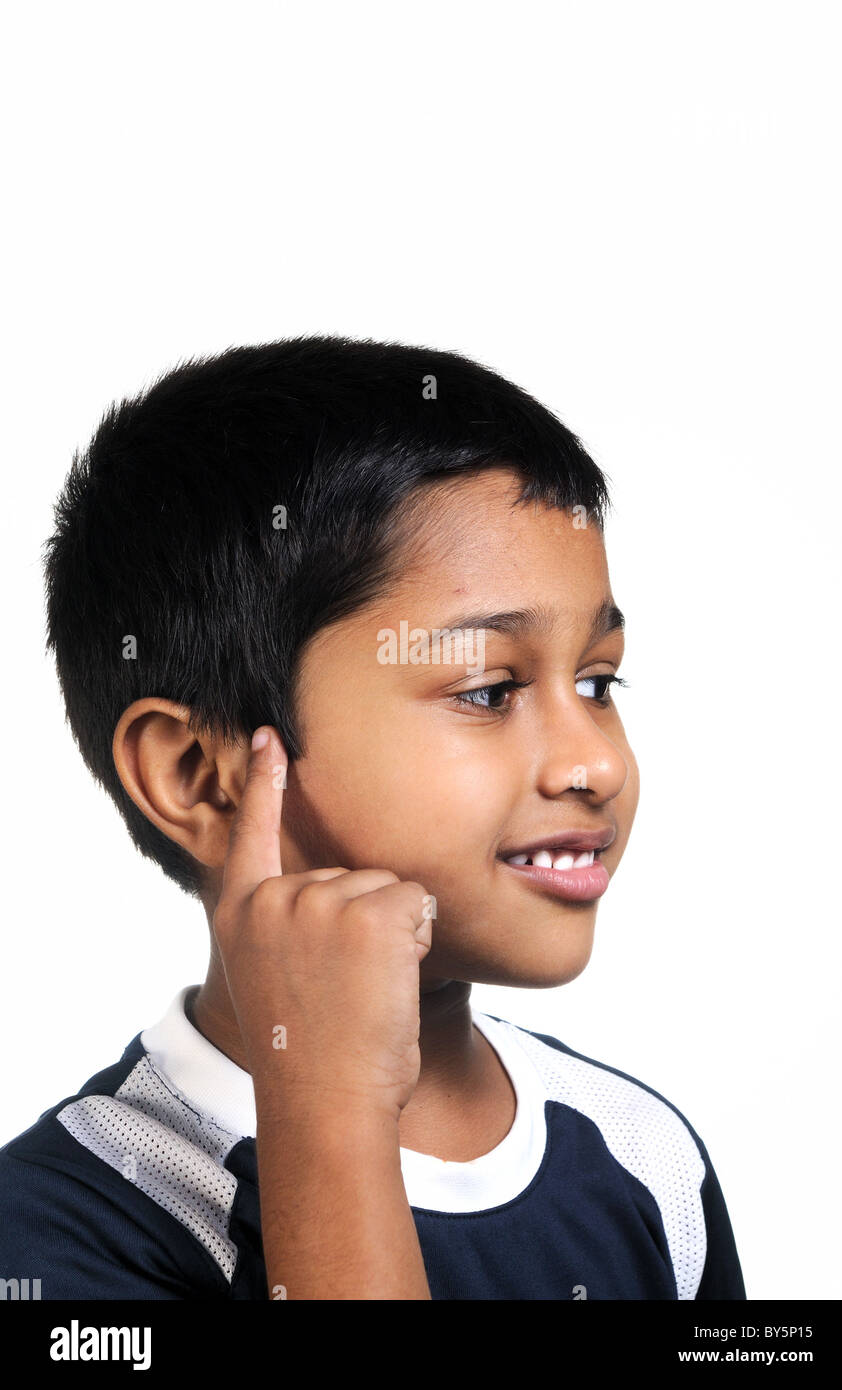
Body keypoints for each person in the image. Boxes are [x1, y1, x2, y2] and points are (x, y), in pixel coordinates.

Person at [0, 337, 745, 1299]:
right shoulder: (59, 1234)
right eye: (487, 689)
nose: (595, 762)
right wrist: (329, 1113)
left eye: (598, 681)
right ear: (196, 773)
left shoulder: (643, 1158)